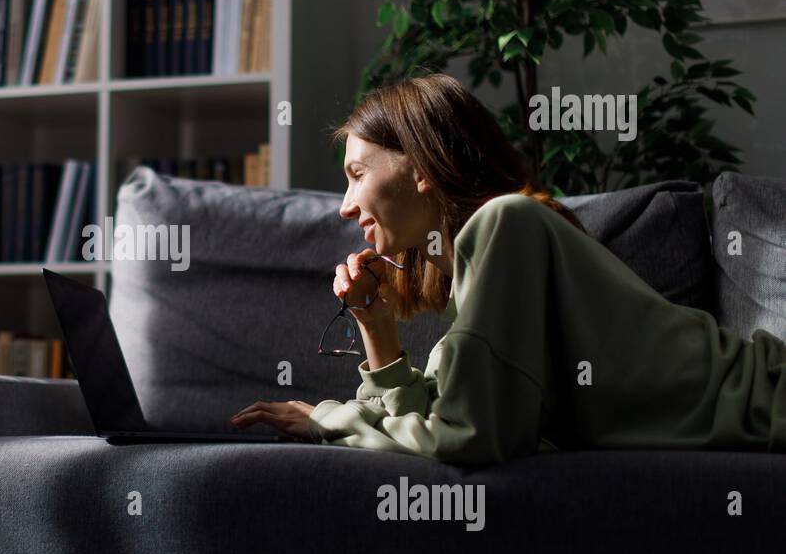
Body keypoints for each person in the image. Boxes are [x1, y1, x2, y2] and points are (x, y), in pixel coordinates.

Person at [228, 73, 786, 466]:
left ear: (421, 166)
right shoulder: (479, 282)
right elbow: (448, 419)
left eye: (356, 173)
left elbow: (469, 438)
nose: (345, 205)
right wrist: (378, 330)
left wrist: (325, 420)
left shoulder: (506, 222)